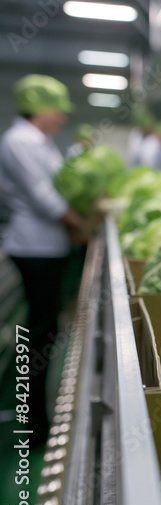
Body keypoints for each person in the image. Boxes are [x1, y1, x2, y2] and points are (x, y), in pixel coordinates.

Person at [0, 75, 90, 448]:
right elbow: (46, 198)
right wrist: (82, 226)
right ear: (38, 108)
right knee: (37, 334)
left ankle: (37, 414)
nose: (61, 118)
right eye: (57, 111)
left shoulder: (40, 142)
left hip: (48, 247)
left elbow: (57, 183)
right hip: (34, 247)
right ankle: (32, 422)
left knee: (45, 330)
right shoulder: (20, 141)